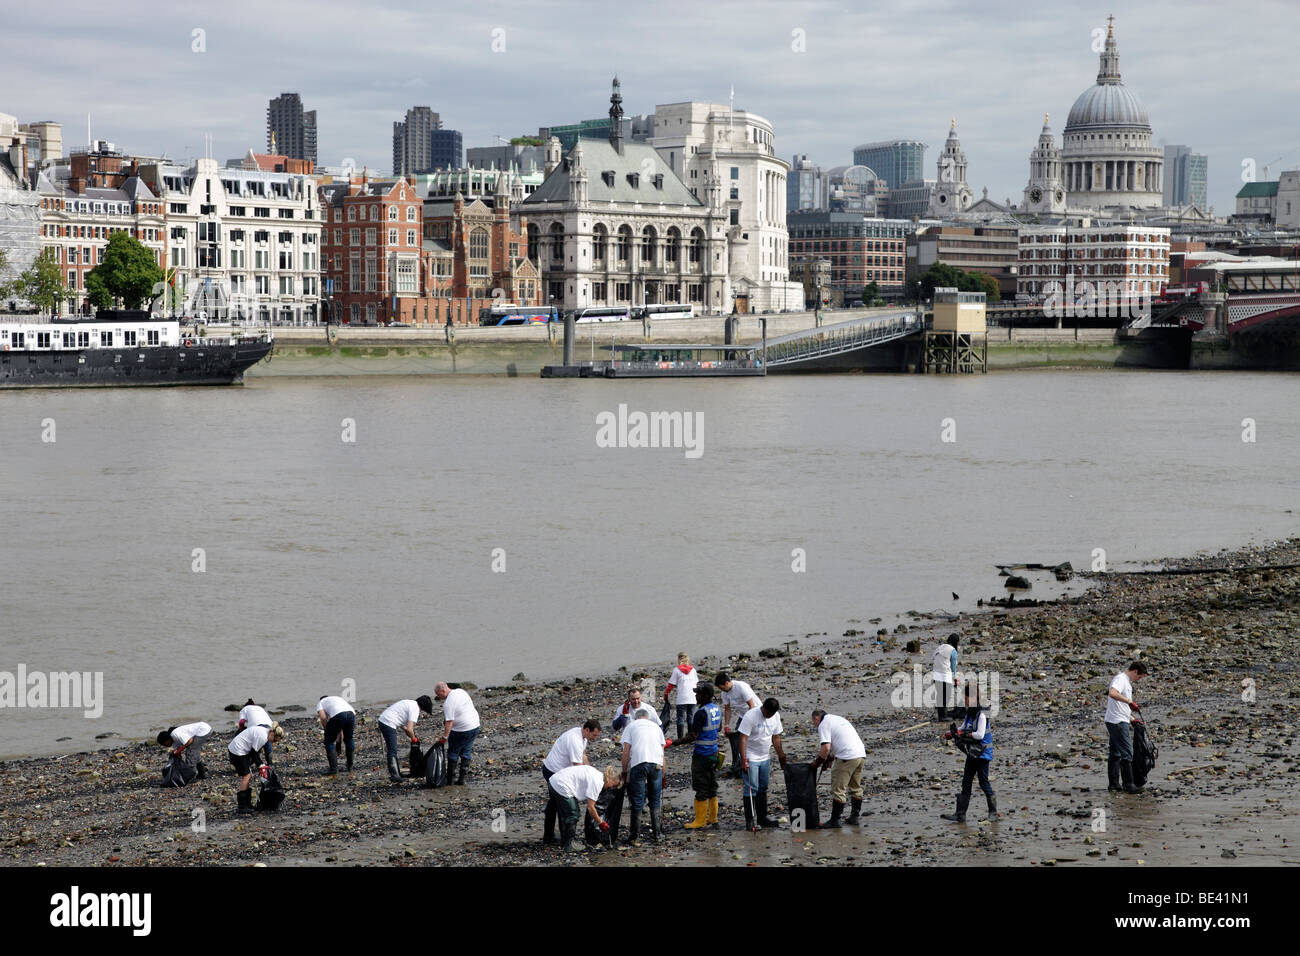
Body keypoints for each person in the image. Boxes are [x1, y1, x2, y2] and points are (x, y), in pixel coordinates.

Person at [940, 683, 996, 822]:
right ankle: (960, 814)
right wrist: (952, 733)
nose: (964, 702)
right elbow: (963, 727)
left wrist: (966, 735)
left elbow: (980, 735)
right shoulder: (970, 712)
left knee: (983, 782)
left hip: (983, 754)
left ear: (973, 697)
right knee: (966, 781)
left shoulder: (982, 714)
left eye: (966, 699)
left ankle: (993, 813)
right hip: (972, 753)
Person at [541, 720, 601, 845]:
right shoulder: (575, 740)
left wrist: (591, 770)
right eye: (594, 735)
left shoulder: (582, 737)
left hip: (560, 772)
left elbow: (583, 755)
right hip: (553, 771)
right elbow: (578, 767)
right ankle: (559, 838)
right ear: (587, 730)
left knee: (556, 803)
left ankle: (554, 835)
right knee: (560, 803)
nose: (595, 738)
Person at [676, 682, 723, 829]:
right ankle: (713, 818)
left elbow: (692, 736)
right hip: (714, 753)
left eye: (698, 694)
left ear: (705, 696)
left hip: (702, 755)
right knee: (712, 786)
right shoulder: (716, 709)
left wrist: (674, 742)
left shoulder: (701, 713)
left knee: (701, 788)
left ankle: (700, 821)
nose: (696, 696)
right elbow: (719, 728)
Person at [621, 708, 669, 846]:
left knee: (637, 801)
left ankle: (635, 836)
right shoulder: (656, 727)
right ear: (647, 718)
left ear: (636, 718)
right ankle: (658, 834)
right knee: (655, 800)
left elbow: (626, 753)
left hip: (639, 763)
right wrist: (663, 774)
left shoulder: (631, 726)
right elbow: (662, 752)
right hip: (657, 765)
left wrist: (624, 772)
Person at [811, 710, 867, 827]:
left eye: (814, 723)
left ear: (816, 718)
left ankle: (835, 820)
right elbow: (839, 742)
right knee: (855, 787)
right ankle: (854, 817)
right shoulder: (838, 719)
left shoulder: (823, 724)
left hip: (846, 757)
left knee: (838, 789)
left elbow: (826, 748)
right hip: (860, 754)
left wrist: (816, 764)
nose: (815, 725)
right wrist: (829, 760)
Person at [738, 697, 787, 830]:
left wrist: (781, 756)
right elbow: (742, 738)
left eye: (772, 714)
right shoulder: (751, 716)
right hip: (751, 756)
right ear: (763, 708)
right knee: (751, 788)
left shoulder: (775, 716)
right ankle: (750, 821)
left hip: (765, 757)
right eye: (767, 713)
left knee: (763, 787)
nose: (769, 716)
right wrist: (743, 759)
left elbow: (776, 737)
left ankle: (762, 818)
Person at [548, 764, 622, 851]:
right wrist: (601, 822)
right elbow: (591, 807)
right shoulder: (598, 782)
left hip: (553, 781)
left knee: (562, 813)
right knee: (573, 813)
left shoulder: (596, 774)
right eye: (613, 785)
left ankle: (552, 838)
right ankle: (568, 844)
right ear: (610, 779)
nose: (611, 788)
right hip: (561, 785)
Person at [1106, 661, 1149, 793]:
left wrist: (1132, 719)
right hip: (1117, 722)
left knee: (1115, 753)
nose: (1139, 679)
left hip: (1116, 719)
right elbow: (1112, 693)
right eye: (1140, 677)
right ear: (1135, 671)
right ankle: (1128, 785)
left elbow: (1121, 706)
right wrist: (1130, 701)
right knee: (1127, 752)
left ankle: (1114, 784)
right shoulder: (1121, 679)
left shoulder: (1126, 682)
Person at [228, 722, 285, 814]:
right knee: (246, 776)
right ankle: (242, 806)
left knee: (248, 775)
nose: (273, 743)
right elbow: (254, 753)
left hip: (241, 749)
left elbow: (254, 752)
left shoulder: (265, 732)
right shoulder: (262, 736)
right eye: (274, 740)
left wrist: (261, 765)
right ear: (272, 733)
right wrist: (261, 765)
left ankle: (247, 804)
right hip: (237, 751)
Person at [377, 695, 433, 783]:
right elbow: (410, 729)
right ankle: (395, 776)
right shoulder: (415, 709)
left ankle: (397, 773)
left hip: (383, 720)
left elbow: (406, 728)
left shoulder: (409, 703)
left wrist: (411, 736)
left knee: (392, 749)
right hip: (388, 723)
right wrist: (414, 739)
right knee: (392, 750)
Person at [434, 682, 480, 785]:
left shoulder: (448, 703)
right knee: (466, 751)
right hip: (475, 726)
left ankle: (450, 779)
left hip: (462, 730)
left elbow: (449, 722)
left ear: (443, 691)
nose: (438, 697)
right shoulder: (460, 691)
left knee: (453, 753)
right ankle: (462, 779)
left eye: (438, 694)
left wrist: (444, 737)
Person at [715, 672, 759, 777]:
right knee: (739, 740)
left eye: (722, 688)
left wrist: (750, 724)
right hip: (743, 715)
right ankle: (740, 764)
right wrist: (726, 725)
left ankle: (754, 762)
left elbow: (752, 706)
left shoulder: (741, 687)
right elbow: (727, 709)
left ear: (727, 683)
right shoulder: (724, 693)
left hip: (756, 713)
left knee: (751, 739)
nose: (722, 691)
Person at [316, 694, 356, 774]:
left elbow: (323, 717)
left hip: (339, 715)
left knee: (329, 742)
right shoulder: (337, 699)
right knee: (349, 739)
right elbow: (339, 729)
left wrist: (326, 729)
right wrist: (338, 745)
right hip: (351, 714)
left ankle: (334, 770)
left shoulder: (321, 703)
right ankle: (350, 767)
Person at [664, 652, 699, 739]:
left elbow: (671, 684)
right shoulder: (693, 670)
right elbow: (696, 683)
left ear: (679, 659)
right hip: (692, 697)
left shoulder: (677, 670)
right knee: (690, 717)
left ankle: (680, 738)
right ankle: (690, 736)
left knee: (680, 718)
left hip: (682, 698)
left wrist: (666, 693)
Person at [931, 634, 960, 720]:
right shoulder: (952, 651)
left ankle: (941, 716)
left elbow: (934, 659)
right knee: (946, 696)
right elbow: (953, 666)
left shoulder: (940, 647)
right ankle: (943, 716)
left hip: (936, 675)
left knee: (940, 695)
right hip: (945, 675)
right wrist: (955, 678)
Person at [237, 699, 275, 764]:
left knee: (255, 746)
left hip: (257, 727)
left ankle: (252, 762)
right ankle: (270, 763)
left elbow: (241, 722)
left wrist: (242, 730)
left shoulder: (244, 709)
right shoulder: (260, 708)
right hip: (269, 725)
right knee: (267, 744)